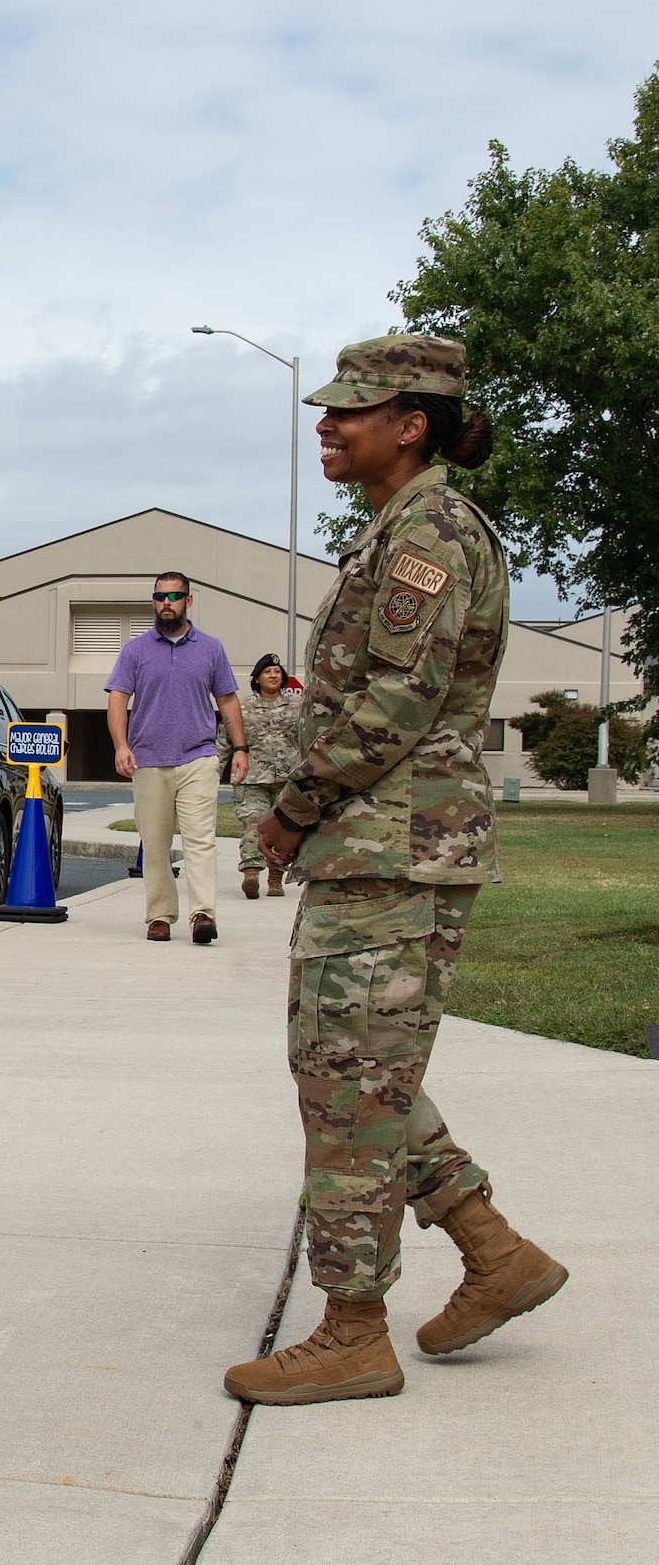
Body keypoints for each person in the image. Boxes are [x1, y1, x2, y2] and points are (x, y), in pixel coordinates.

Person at [224, 335, 567, 1407]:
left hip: (394, 842)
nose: (325, 423)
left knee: (346, 1086)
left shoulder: (425, 530)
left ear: (408, 422)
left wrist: (290, 808)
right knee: (350, 1071)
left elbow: (393, 702)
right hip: (384, 842)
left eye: (349, 410)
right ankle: (492, 1247)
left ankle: (351, 1328)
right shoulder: (401, 526)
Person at [105, 574, 248, 944]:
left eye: (175, 596)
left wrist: (240, 749)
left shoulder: (211, 648)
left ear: (189, 600)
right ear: (153, 601)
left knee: (200, 839)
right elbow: (118, 698)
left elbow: (228, 700)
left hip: (198, 756)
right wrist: (121, 746)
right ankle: (160, 916)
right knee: (154, 844)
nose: (167, 602)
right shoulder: (135, 650)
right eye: (160, 596)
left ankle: (203, 914)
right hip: (148, 760)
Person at [219, 654, 304, 898]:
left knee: (284, 829)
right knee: (253, 824)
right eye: (267, 672)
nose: (273, 675)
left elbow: (312, 737)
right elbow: (224, 741)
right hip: (251, 779)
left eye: (277, 671)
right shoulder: (242, 708)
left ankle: (276, 877)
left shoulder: (298, 706)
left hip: (289, 779)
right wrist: (212, 773)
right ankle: (252, 874)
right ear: (256, 678)